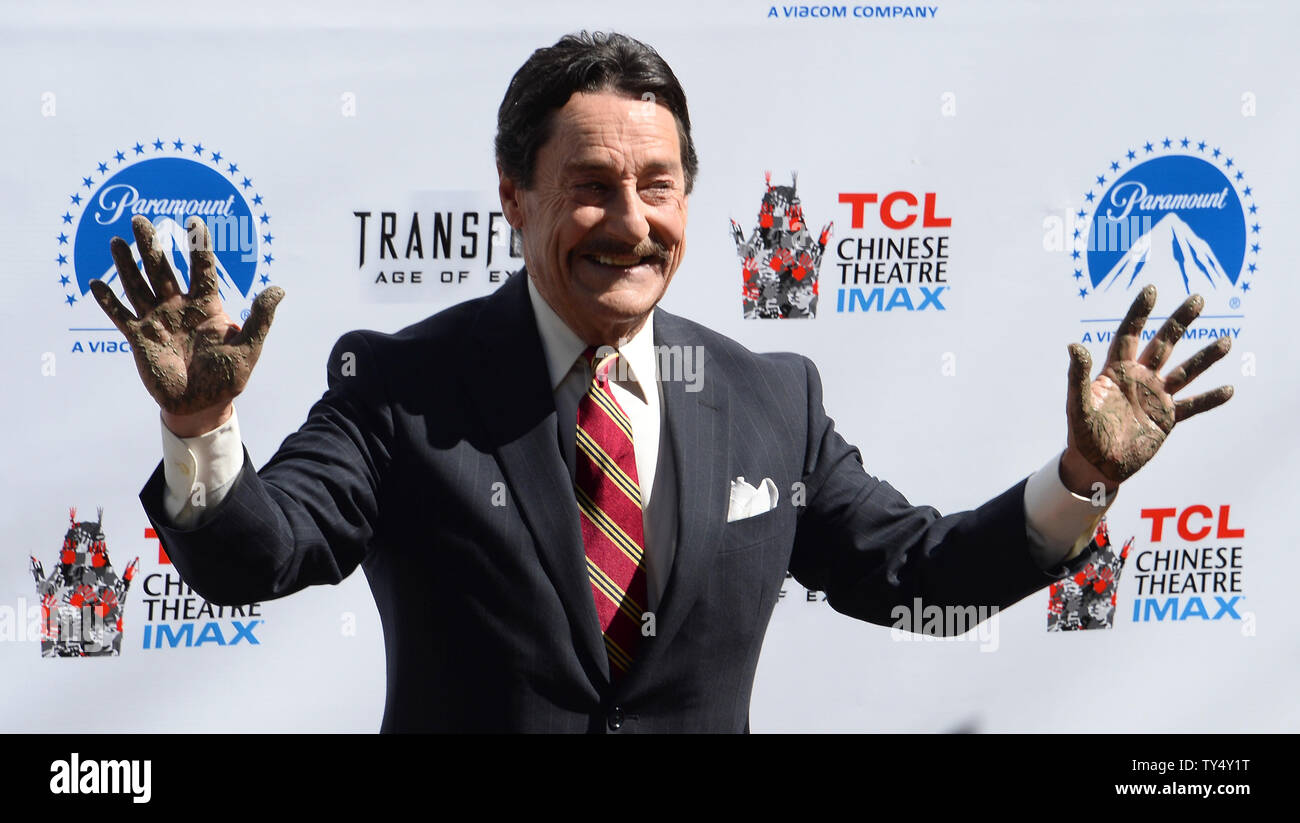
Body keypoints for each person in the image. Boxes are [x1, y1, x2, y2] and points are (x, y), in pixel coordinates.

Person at [90, 31, 1233, 732]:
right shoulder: (400, 386)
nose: (629, 223)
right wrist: (201, 425)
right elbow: (257, 555)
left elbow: (912, 574)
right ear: (514, 198)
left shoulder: (771, 398)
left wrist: (1082, 475)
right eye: (590, 185)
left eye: (659, 184)